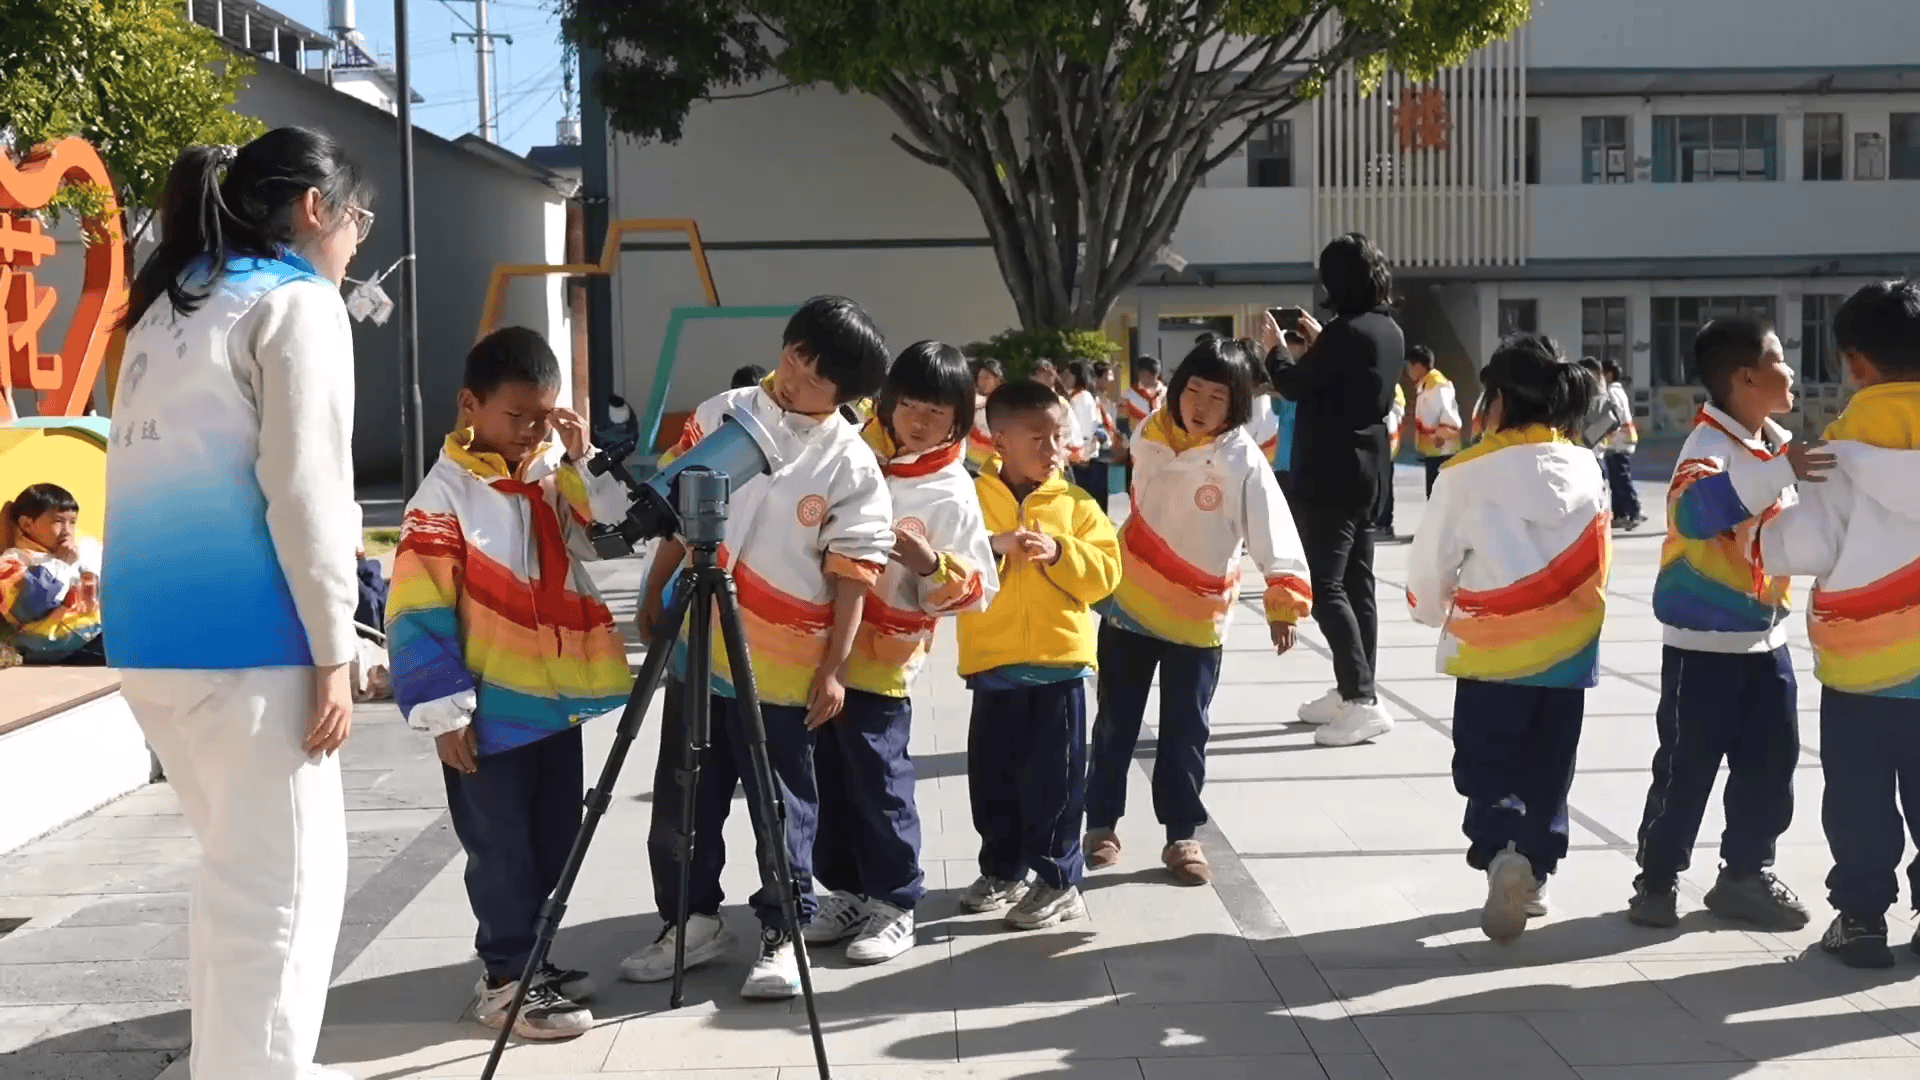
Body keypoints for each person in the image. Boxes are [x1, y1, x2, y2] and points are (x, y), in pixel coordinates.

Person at [101, 129, 369, 1080]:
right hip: (252, 641)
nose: (355, 242)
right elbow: (306, 491)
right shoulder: (295, 302)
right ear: (312, 209)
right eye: (356, 219)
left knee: (236, 882)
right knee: (283, 898)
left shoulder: (173, 300)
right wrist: (335, 650)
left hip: (152, 640)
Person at [620, 296, 894, 999]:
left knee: (781, 806)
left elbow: (853, 577)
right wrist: (654, 591)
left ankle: (784, 932)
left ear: (847, 392)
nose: (796, 373)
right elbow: (682, 517)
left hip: (781, 669)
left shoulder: (851, 463)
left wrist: (833, 671)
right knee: (683, 796)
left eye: (817, 373)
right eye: (796, 353)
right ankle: (689, 921)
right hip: (696, 647)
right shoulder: (722, 413)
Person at [386, 327, 633, 1037]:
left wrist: (584, 458)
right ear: (471, 404)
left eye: (542, 418)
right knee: (499, 847)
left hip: (553, 705)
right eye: (515, 417)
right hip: (488, 711)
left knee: (555, 836)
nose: (528, 433)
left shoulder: (553, 475)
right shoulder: (441, 499)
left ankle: (533, 959)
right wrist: (444, 714)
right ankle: (504, 980)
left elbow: (613, 533)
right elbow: (418, 612)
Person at [1626, 317, 1830, 934]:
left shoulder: (1772, 443)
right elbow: (1694, 512)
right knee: (1686, 767)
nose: (1791, 369)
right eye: (1780, 358)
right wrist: (1782, 470)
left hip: (1766, 643)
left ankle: (1744, 873)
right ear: (1747, 376)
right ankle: (1656, 880)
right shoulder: (1707, 448)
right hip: (1702, 650)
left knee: (1770, 763)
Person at [1405, 333, 1611, 945]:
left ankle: (1501, 855)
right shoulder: (1586, 466)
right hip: (1568, 650)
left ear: (1494, 402)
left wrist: (1428, 607)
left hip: (1490, 650)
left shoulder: (1466, 473)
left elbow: (1431, 564)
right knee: (1549, 766)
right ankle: (1537, 870)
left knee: (1487, 763)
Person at [1083, 338, 1309, 886]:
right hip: (1130, 604)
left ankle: (1182, 833)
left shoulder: (1242, 461)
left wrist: (1283, 600)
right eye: (1193, 390)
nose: (1200, 405)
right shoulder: (1148, 436)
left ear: (1236, 404)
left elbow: (1272, 529)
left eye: (1217, 396)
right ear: (1178, 389)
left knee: (1186, 729)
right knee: (1115, 721)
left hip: (1198, 616)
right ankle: (1101, 824)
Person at [807, 342, 998, 965]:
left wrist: (930, 563)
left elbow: (977, 588)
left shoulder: (951, 490)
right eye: (908, 403)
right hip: (813, 646)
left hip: (883, 656)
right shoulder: (847, 449)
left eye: (936, 412)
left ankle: (895, 901)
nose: (917, 420)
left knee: (878, 775)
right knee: (827, 775)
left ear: (960, 420)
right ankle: (845, 889)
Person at [1759, 279, 1920, 968]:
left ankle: (1862, 919)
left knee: (1859, 799)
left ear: (1855, 362)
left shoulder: (1837, 454)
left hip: (1862, 667)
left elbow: (1806, 548)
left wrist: (1766, 524)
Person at [957, 379, 1122, 929]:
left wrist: (1059, 552)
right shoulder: (970, 501)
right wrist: (995, 549)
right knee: (993, 779)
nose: (1053, 449)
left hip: (1058, 669)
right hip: (993, 665)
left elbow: (1105, 576)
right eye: (1038, 437)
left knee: (1055, 783)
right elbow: (952, 564)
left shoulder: (1075, 504)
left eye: (1058, 436)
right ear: (998, 439)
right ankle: (1002, 869)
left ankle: (1058, 880)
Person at [1261, 232, 1403, 747]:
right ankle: (1354, 690)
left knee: (1326, 586)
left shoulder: (1346, 333)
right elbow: (1347, 381)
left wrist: (1276, 350)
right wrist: (1323, 342)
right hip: (1368, 470)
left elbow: (1297, 386)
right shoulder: (1387, 330)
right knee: (1358, 583)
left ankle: (1361, 699)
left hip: (1329, 472)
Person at [1, 483, 105, 665]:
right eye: (57, 521)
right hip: (55, 644)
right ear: (27, 524)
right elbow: (26, 609)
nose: (67, 531)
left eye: (72, 522)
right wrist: (61, 565)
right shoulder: (14, 562)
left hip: (90, 634)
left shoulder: (75, 552)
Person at [1405, 344, 1463, 497]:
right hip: (1434, 453)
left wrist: (1440, 436)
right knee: (1434, 500)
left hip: (1442, 454)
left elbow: (1451, 420)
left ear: (1419, 366)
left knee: (1438, 501)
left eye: (1410, 365)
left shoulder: (1437, 386)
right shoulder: (1426, 385)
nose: (1408, 370)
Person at [1600, 359, 1645, 529]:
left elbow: (1616, 415)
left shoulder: (1612, 392)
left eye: (1601, 373)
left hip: (1619, 440)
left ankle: (1634, 512)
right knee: (1616, 480)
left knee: (1621, 479)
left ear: (1609, 374)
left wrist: (1605, 429)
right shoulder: (1616, 390)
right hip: (1617, 441)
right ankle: (1620, 514)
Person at [1063, 359, 1109, 498]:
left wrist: (1083, 454)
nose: (1065, 377)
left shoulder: (1080, 398)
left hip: (1083, 459)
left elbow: (1083, 431)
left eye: (1068, 374)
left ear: (1076, 375)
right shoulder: (1086, 396)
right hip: (1088, 456)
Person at [1373, 381, 1408, 542]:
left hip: (1385, 441)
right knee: (1381, 483)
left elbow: (1393, 415)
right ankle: (1381, 522)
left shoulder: (1390, 386)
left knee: (1383, 484)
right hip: (1385, 440)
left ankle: (1383, 524)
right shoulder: (1393, 386)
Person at [966, 358, 1006, 474]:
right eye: (980, 377)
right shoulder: (972, 404)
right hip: (972, 468)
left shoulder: (1008, 407)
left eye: (987, 377)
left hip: (997, 469)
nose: (982, 381)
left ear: (998, 380)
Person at [1121, 356, 1166, 433]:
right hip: (1137, 440)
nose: (1141, 378)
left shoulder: (1166, 394)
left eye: (1145, 375)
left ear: (1155, 375)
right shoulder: (1130, 394)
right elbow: (1122, 420)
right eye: (1140, 375)